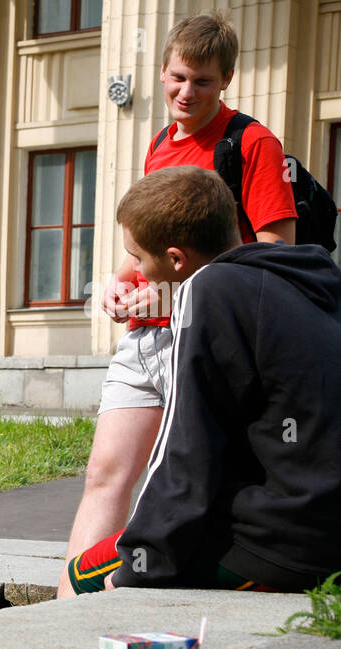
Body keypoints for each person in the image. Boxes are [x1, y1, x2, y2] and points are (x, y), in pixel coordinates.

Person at [57, 11, 297, 598]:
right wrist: (118, 284)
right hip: (144, 337)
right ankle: (60, 615)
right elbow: (145, 241)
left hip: (202, 341)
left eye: (204, 82)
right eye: (178, 77)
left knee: (173, 482)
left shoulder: (252, 142)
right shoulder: (161, 143)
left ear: (228, 79)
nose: (187, 93)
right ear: (162, 71)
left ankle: (133, 606)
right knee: (106, 473)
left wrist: (179, 294)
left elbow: (275, 251)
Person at [67, 166, 341, 594]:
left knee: (84, 572)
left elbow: (188, 447)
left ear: (176, 259)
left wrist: (142, 563)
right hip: (324, 525)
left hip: (287, 546)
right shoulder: (308, 277)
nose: (136, 270)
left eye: (138, 258)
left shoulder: (208, 289)